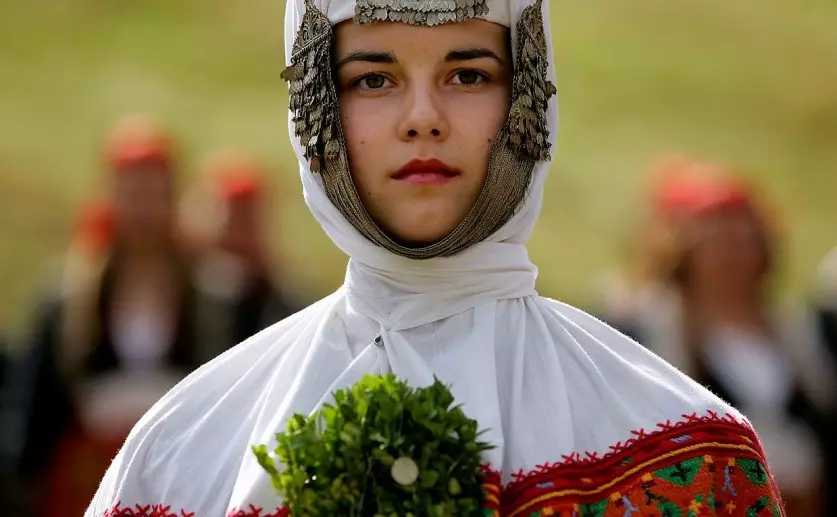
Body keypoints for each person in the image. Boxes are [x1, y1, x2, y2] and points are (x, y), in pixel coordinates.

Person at [85, 2, 784, 516]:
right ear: (316, 103)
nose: (422, 117)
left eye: (469, 74)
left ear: (527, 94)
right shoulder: (181, 451)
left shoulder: (696, 447)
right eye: (373, 80)